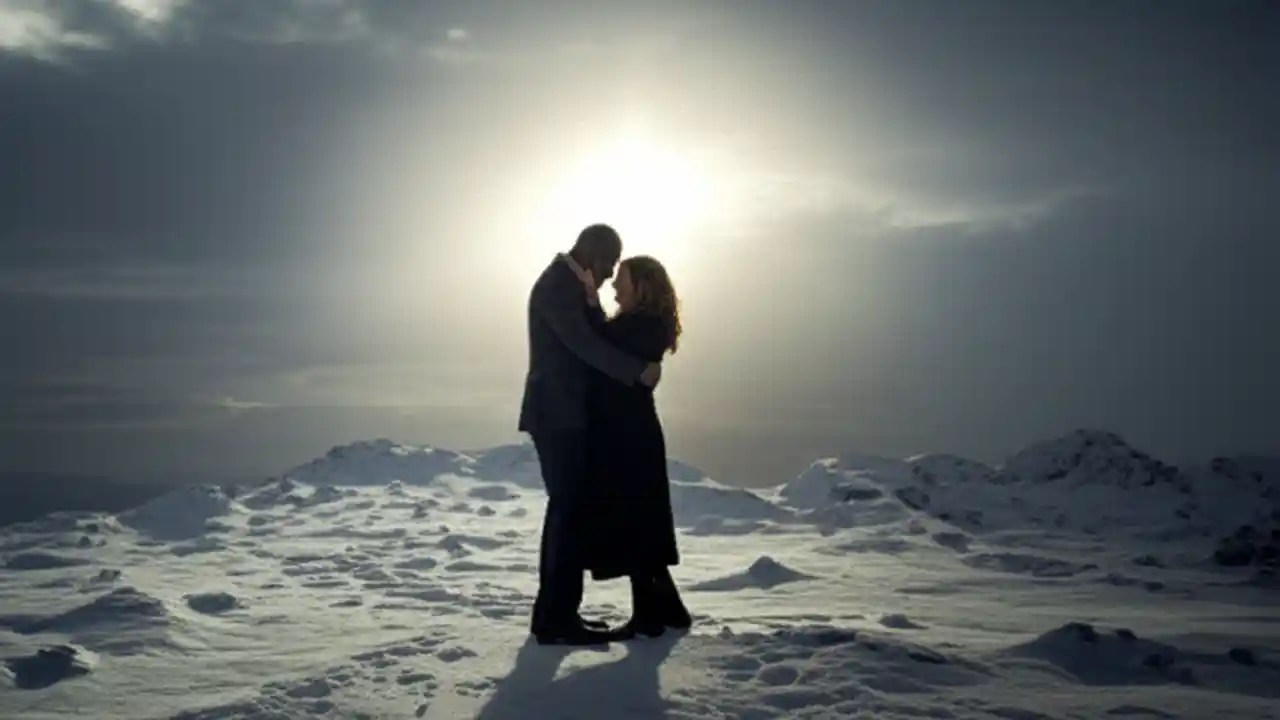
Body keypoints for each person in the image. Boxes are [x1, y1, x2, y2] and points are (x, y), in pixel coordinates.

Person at [518, 224, 662, 646]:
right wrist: (638, 372)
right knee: (567, 511)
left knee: (570, 511)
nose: (609, 274)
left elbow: (588, 334)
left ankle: (559, 613)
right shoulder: (557, 284)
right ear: (595, 256)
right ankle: (554, 620)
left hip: (565, 416)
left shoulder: (568, 284)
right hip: (557, 415)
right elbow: (582, 342)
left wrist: (592, 301)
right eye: (610, 265)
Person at [584, 255, 692, 639]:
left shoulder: (644, 326)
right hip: (627, 432)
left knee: (634, 521)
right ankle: (671, 611)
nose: (614, 287)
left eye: (622, 281)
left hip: (629, 435)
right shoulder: (641, 325)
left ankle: (647, 617)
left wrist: (591, 306)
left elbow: (597, 345)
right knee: (639, 519)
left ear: (642, 285)